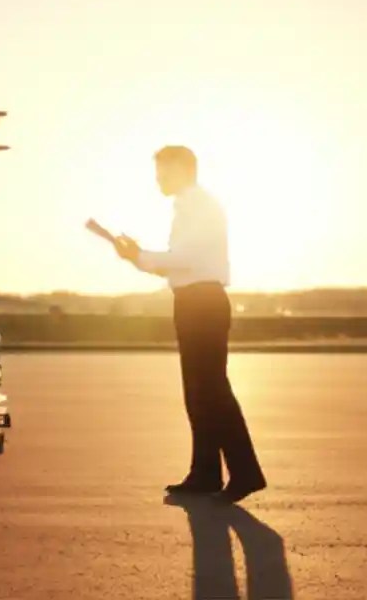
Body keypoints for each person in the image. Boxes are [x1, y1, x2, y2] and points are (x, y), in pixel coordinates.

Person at [112, 145, 267, 503]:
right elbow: (177, 263)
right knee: (200, 391)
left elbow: (185, 258)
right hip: (193, 301)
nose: (158, 181)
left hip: (203, 302)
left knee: (210, 390)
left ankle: (244, 472)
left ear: (181, 169)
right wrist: (139, 258)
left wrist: (140, 257)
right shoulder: (190, 206)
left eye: (162, 173)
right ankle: (206, 473)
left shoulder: (198, 206)